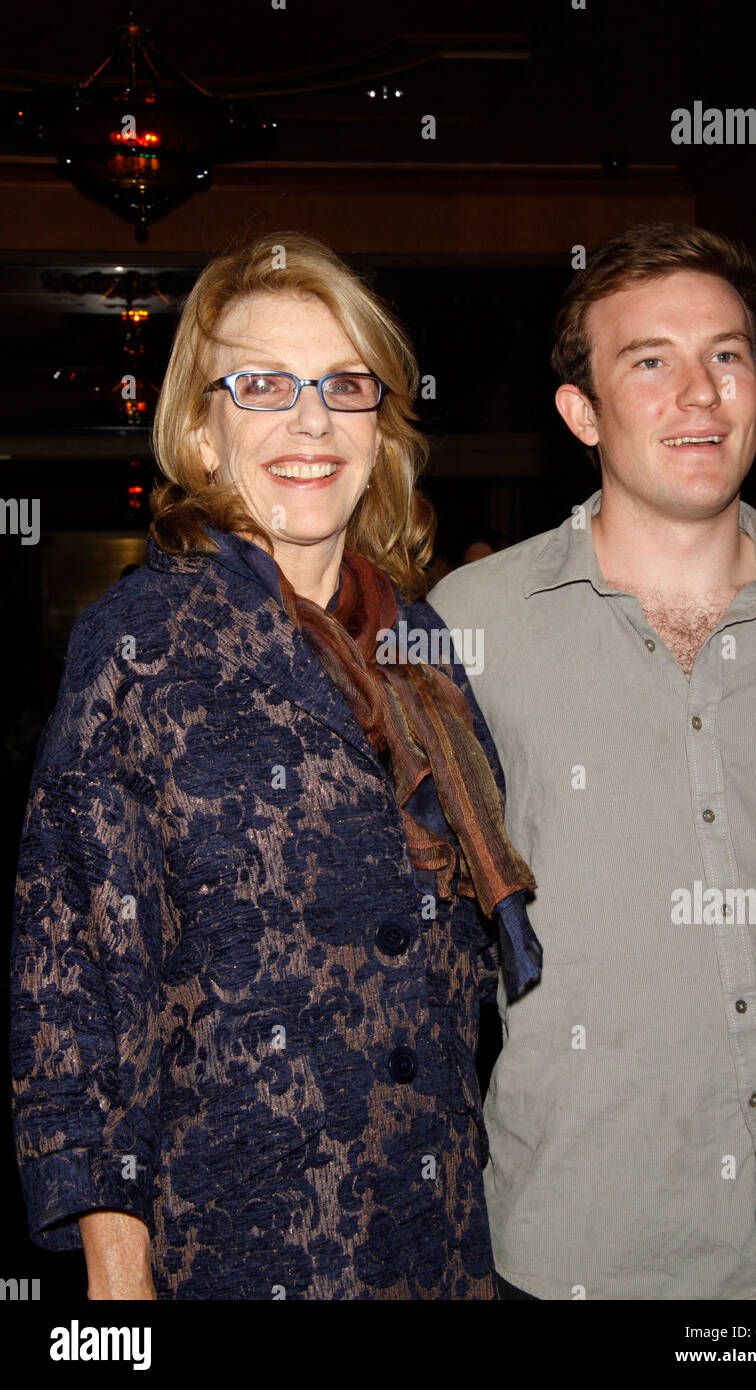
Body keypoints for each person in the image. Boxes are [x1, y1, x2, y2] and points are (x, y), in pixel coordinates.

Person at [10, 231, 541, 1301]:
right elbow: (77, 989)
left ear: (379, 426)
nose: (309, 421)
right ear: (202, 434)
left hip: (433, 1235)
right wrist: (120, 1295)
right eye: (260, 384)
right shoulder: (141, 641)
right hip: (243, 1243)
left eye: (343, 386)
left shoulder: (421, 646)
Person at [429, 222, 756, 1300]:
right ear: (580, 411)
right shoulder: (470, 627)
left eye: (724, 357)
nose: (696, 394)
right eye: (648, 363)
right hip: (590, 1237)